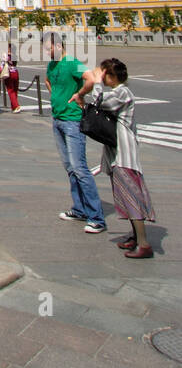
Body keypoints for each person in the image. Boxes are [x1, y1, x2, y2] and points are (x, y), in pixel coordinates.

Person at [71, 59, 155, 259]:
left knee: (131, 198)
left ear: (112, 76)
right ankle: (135, 237)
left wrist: (97, 83)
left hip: (125, 156)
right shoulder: (119, 91)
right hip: (118, 154)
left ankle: (143, 243)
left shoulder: (123, 93)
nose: (102, 77)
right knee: (126, 198)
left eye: (104, 74)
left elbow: (102, 103)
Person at [46, 34, 106, 233]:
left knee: (80, 168)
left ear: (58, 45)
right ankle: (79, 209)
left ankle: (96, 217)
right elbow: (48, 81)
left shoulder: (71, 62)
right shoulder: (52, 65)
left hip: (72, 120)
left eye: (49, 48)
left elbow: (90, 78)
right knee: (70, 168)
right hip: (57, 119)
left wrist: (79, 95)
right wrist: (57, 97)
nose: (47, 52)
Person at [3, 45, 21, 113]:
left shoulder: (6, 56)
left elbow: (3, 64)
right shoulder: (15, 56)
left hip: (9, 73)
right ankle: (14, 106)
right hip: (16, 72)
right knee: (15, 90)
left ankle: (16, 106)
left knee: (11, 90)